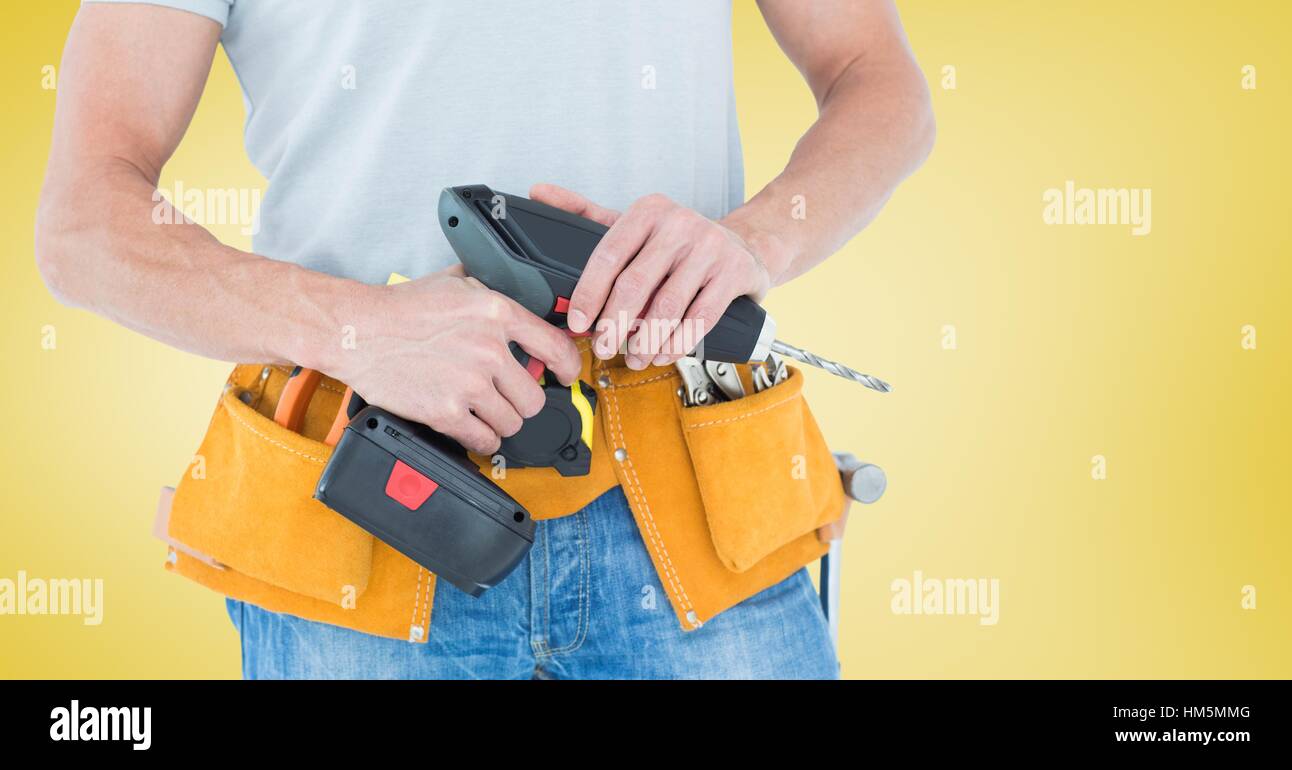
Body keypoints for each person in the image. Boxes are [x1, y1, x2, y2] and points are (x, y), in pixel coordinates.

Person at [37, 0, 934, 679]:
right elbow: (85, 222)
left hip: (701, 517)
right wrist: (363, 331)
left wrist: (758, 240)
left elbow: (877, 77)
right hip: (373, 509)